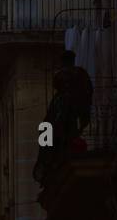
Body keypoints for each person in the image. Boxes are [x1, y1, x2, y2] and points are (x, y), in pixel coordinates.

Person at [33, 50, 93, 183]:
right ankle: (45, 160)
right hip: (65, 111)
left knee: (51, 127)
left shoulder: (74, 76)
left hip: (69, 112)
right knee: (45, 127)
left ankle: (46, 160)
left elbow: (84, 95)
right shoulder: (72, 78)